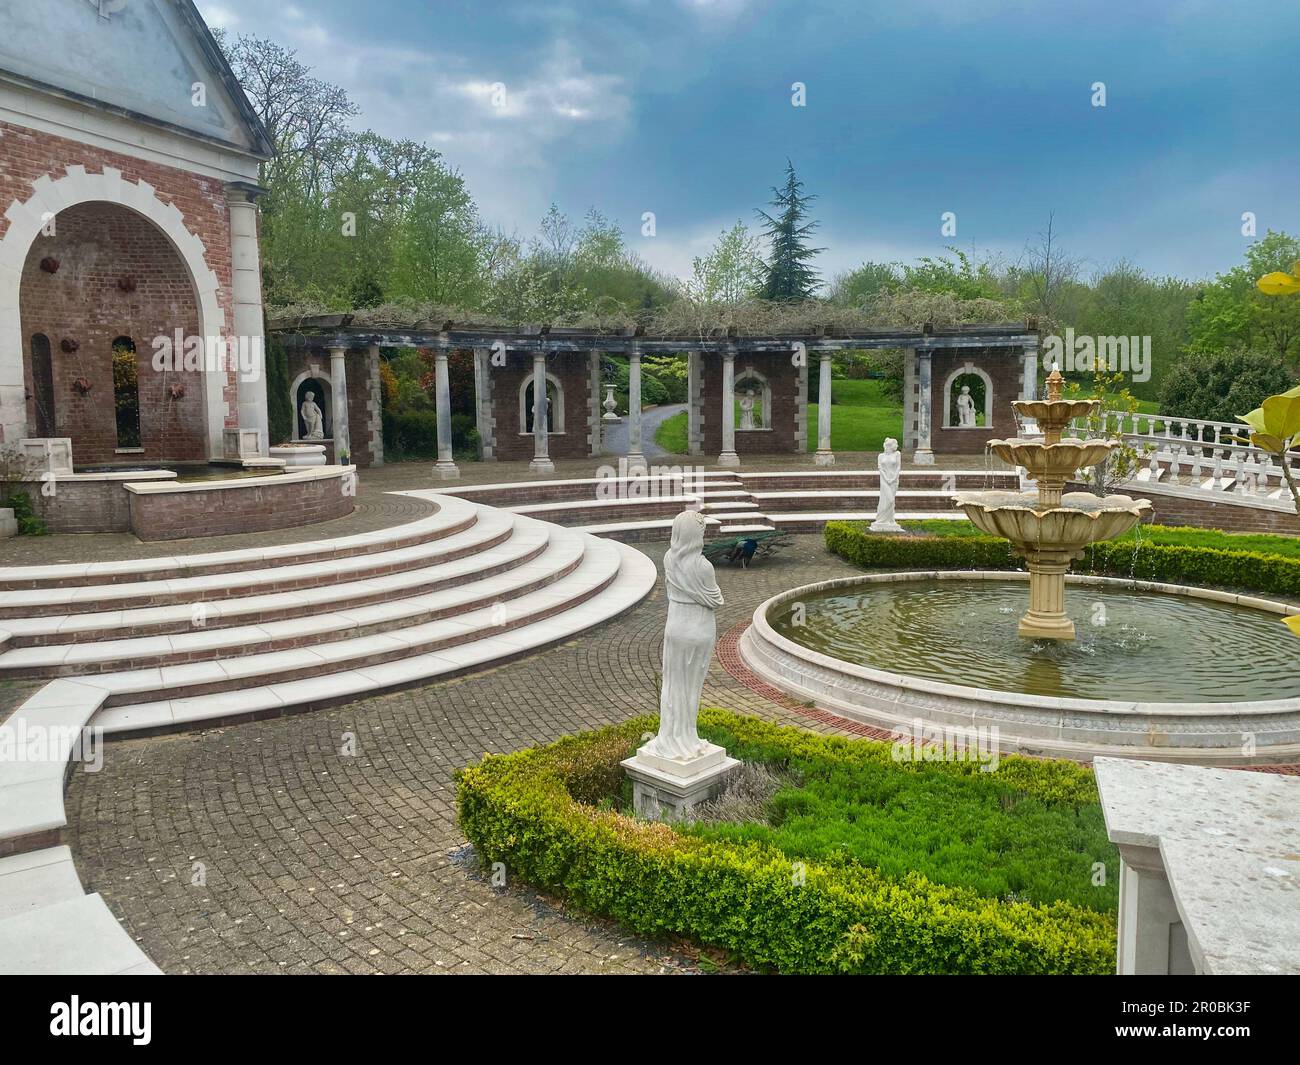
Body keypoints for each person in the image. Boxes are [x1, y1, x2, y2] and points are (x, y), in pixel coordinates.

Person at [642, 510, 724, 761]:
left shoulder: (669, 558)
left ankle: (671, 736)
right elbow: (715, 599)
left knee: (673, 684)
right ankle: (687, 735)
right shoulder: (703, 566)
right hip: (698, 628)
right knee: (691, 688)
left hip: (675, 626)